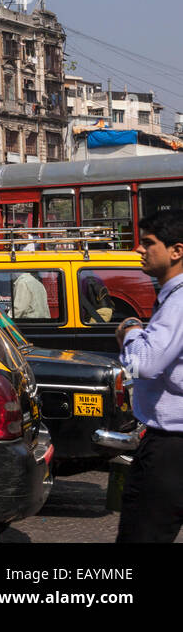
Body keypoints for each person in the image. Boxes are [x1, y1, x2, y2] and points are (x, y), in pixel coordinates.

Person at [115, 212, 183, 543]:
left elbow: (143, 365)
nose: (139, 250)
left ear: (176, 251)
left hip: (171, 448)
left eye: (148, 243)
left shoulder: (178, 301)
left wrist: (129, 331)